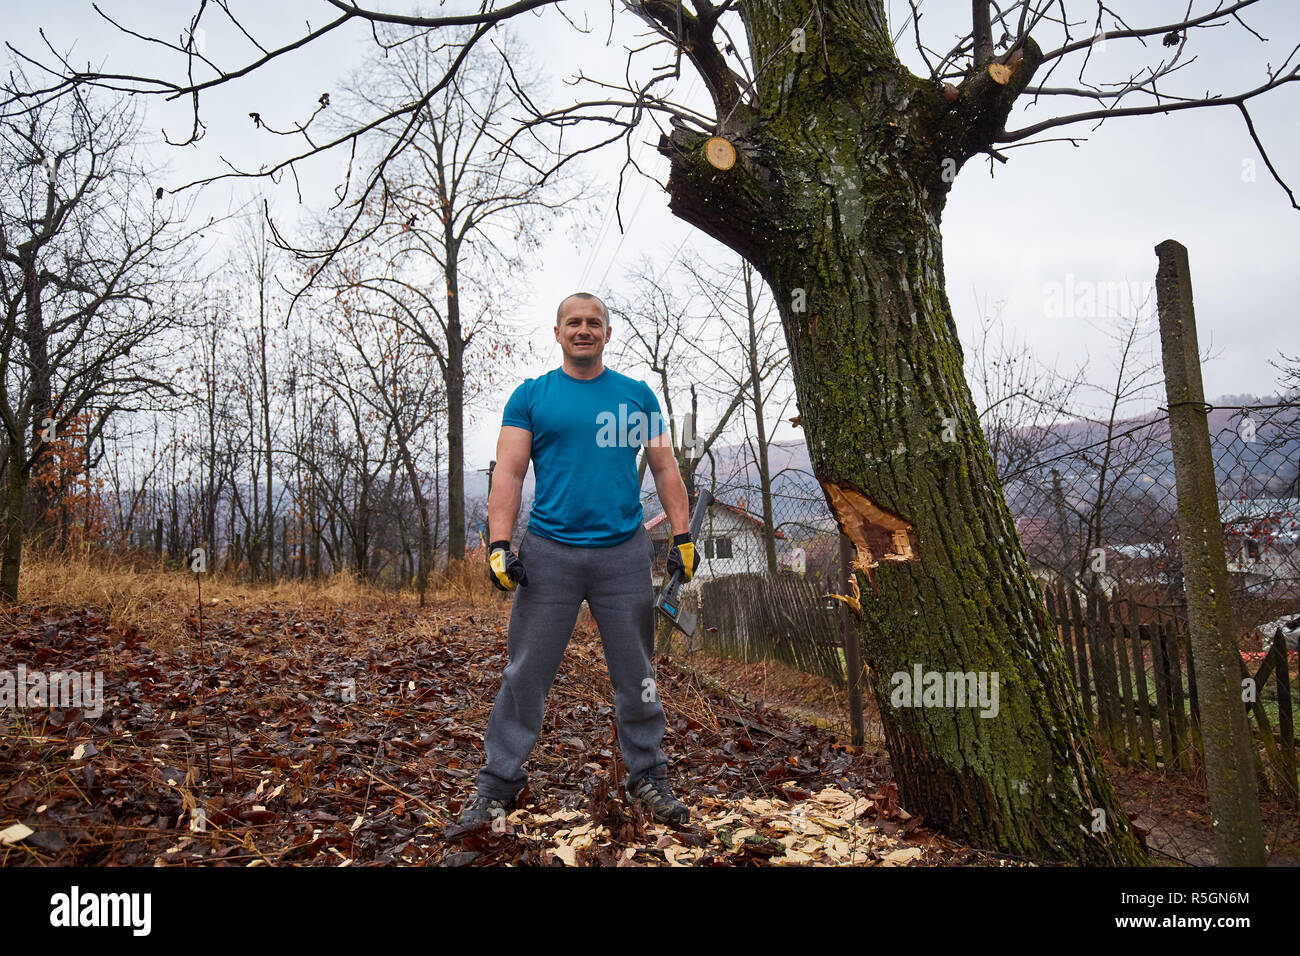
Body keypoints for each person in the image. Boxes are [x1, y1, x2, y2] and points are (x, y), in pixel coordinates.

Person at [455, 291, 698, 830]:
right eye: (573, 322)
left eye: (593, 322)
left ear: (607, 334)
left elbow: (664, 469)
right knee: (525, 674)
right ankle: (497, 786)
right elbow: (510, 474)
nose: (583, 330)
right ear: (558, 332)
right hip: (549, 555)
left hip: (623, 554)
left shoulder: (635, 397)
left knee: (637, 674)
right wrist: (499, 546)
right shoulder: (532, 396)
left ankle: (648, 778)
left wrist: (681, 535)